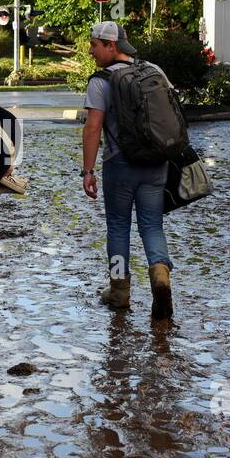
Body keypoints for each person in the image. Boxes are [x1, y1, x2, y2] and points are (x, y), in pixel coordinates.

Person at [82, 21, 173, 319]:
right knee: (152, 225)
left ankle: (120, 291)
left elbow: (93, 127)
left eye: (95, 44)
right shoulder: (154, 70)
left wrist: (88, 171)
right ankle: (161, 278)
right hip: (156, 162)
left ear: (112, 45)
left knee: (119, 227)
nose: (91, 50)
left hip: (120, 165)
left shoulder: (100, 81)